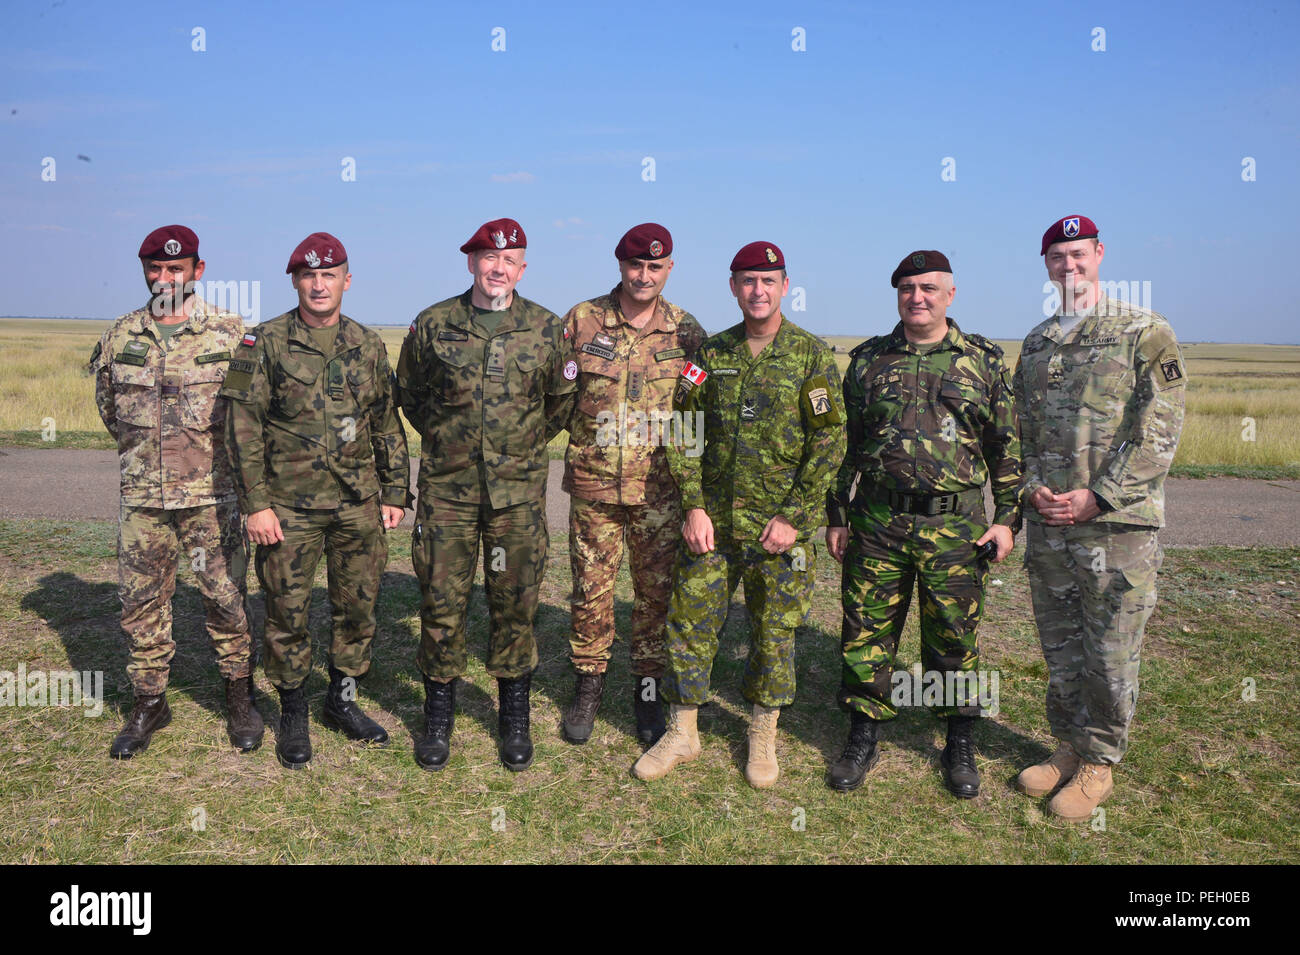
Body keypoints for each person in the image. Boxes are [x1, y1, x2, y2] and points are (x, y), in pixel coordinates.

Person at [632, 241, 845, 789]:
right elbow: (684, 432)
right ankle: (683, 731)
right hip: (713, 528)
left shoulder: (811, 357)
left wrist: (796, 516)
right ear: (733, 286)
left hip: (780, 532)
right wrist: (695, 506)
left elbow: (829, 443)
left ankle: (763, 732)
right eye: (748, 281)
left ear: (785, 286)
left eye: (768, 281)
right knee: (690, 624)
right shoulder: (711, 355)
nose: (758, 290)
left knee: (773, 632)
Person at [824, 250, 1022, 798]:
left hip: (955, 526)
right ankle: (863, 731)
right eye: (908, 288)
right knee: (866, 630)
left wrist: (1007, 519)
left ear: (950, 294)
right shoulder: (868, 361)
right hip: (878, 521)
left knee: (954, 637)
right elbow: (847, 446)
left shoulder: (982, 361)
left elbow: (1006, 447)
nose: (918, 297)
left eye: (929, 288)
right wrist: (837, 515)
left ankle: (959, 738)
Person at [1013, 215, 1185, 821]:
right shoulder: (1036, 344)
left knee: (1111, 647)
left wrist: (1101, 496)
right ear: (1047, 264)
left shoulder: (1144, 331)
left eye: (1078, 254)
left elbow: (1159, 431)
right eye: (1058, 256)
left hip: (1117, 526)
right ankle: (1068, 743)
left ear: (1099, 255)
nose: (1069, 265)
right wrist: (1033, 489)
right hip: (1051, 523)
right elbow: (1021, 435)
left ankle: (1099, 762)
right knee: (1061, 644)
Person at [220, 232, 409, 770]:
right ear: (296, 281)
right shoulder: (265, 342)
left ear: (347, 280)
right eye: (309, 275)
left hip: (357, 503)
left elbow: (385, 421)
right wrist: (254, 503)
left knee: (357, 608)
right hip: (289, 506)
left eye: (329, 275)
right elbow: (242, 424)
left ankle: (341, 703)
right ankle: (294, 712)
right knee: (287, 611)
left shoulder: (368, 344)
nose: (319, 284)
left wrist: (395, 489)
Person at [396, 218, 577, 772]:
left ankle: (512, 716)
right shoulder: (433, 323)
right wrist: (453, 441)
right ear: (471, 261)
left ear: (522, 268)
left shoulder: (547, 328)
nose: (497, 268)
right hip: (447, 493)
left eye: (509, 260)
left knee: (515, 602)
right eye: (488, 258)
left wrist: (516, 446)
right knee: (441, 602)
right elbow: (409, 394)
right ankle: (438, 715)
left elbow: (560, 403)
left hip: (516, 496)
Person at [91, 224, 262, 758]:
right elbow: (109, 411)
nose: (165, 277)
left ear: (197, 271)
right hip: (143, 499)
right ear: (145, 271)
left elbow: (247, 416)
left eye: (176, 268)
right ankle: (149, 701)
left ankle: (238, 695)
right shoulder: (121, 336)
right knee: (141, 603)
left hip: (212, 496)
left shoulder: (232, 335)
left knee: (226, 596)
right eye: (156, 269)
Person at [559, 223, 706, 747]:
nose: (644, 276)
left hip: (659, 492)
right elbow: (556, 399)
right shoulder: (582, 320)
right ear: (620, 265)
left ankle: (647, 691)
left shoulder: (686, 331)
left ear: (669, 269)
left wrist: (694, 498)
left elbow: (694, 418)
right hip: (594, 485)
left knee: (654, 596)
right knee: (590, 592)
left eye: (655, 267)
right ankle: (588, 686)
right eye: (635, 265)